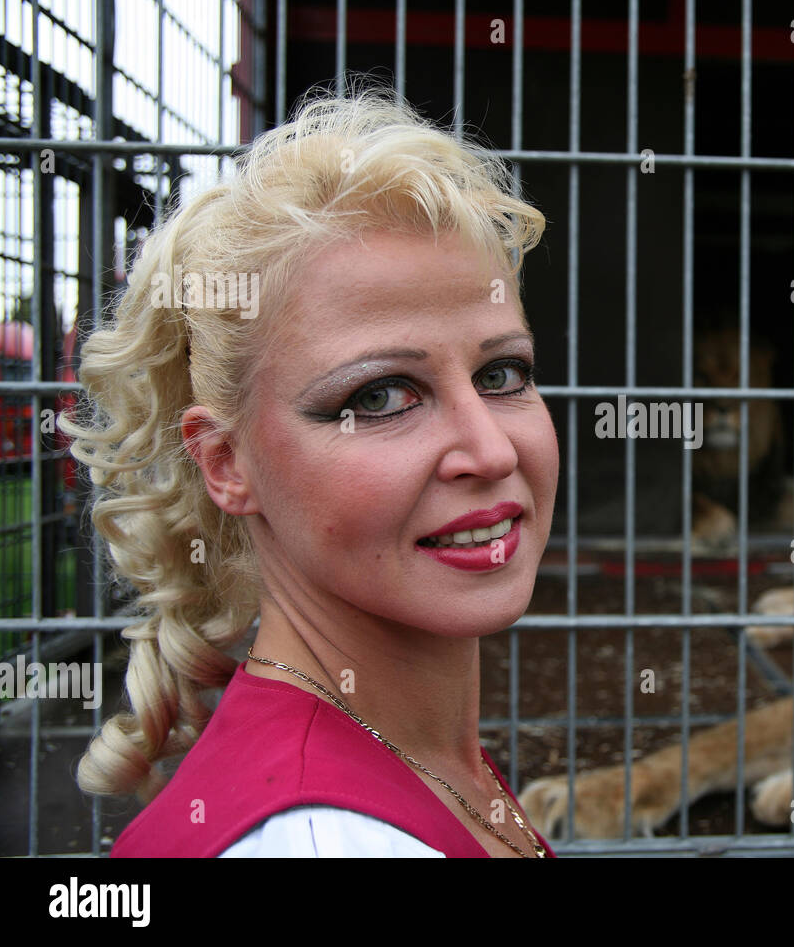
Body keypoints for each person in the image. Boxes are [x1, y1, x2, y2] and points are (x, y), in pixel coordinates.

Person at [62, 87, 559, 857]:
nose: (491, 451)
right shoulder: (324, 843)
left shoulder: (390, 760)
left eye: (501, 376)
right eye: (381, 395)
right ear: (227, 464)